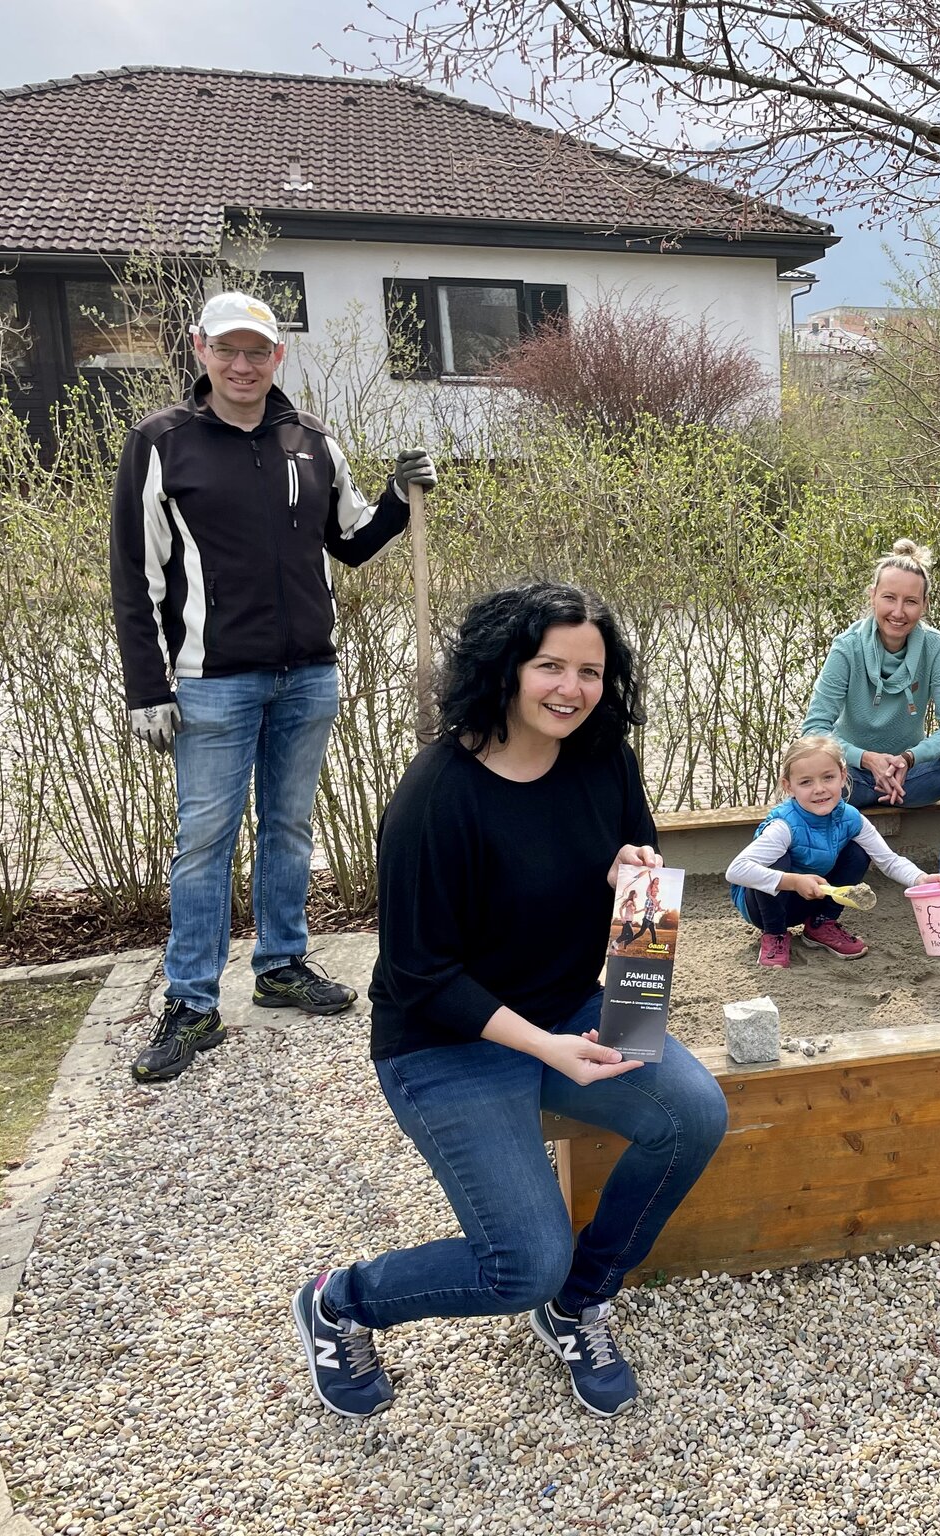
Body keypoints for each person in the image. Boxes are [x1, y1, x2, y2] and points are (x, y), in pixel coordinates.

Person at [290, 583, 727, 1420]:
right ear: (505, 669)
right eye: (549, 666)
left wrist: (629, 931)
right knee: (520, 1262)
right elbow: (422, 973)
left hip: (566, 1009)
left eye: (590, 671)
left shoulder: (604, 760)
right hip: (443, 1042)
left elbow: (643, 877)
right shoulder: (437, 797)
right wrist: (549, 1048)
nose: (571, 688)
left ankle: (580, 1300)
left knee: (692, 1113)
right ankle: (341, 1300)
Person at [111, 291, 437, 1084]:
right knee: (203, 846)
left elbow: (351, 542)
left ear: (277, 356)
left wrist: (398, 499)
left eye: (257, 351)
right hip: (211, 683)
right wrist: (146, 688)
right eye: (227, 350)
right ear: (200, 350)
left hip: (308, 675)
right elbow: (135, 574)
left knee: (289, 829)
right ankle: (191, 1003)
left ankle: (280, 965)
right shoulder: (161, 443)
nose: (243, 365)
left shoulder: (312, 441)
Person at [800, 539, 940, 881]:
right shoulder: (846, 648)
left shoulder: (934, 647)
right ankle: (813, 883)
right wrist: (867, 759)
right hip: (853, 777)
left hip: (911, 776)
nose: (898, 612)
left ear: (924, 605)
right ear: (872, 596)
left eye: (910, 602)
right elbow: (814, 730)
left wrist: (909, 758)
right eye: (889, 598)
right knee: (811, 768)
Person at [726, 735, 937, 967]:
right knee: (776, 859)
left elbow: (889, 860)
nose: (819, 789)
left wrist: (921, 879)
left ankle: (821, 923)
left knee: (858, 851)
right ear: (789, 786)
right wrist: (793, 881)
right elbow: (736, 870)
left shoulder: (850, 818)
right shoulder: (784, 826)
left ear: (843, 776)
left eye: (828, 777)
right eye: (806, 782)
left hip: (813, 898)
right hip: (764, 907)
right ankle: (774, 935)